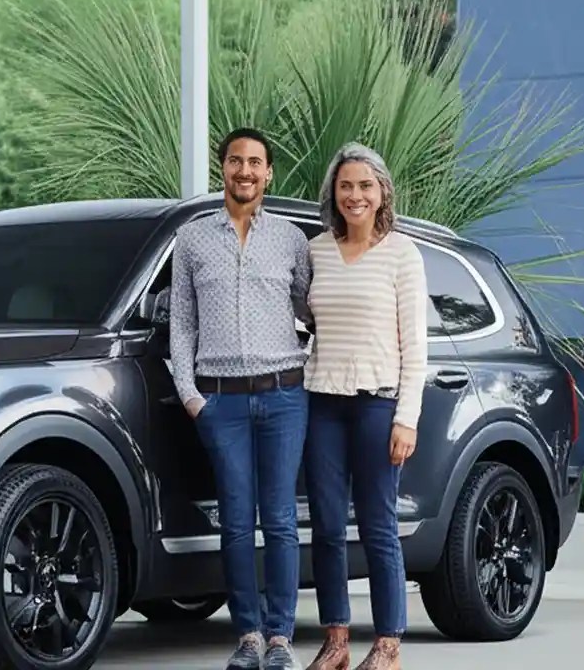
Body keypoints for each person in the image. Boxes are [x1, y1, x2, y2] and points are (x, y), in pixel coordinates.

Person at [169, 127, 313, 670]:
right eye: (236, 161)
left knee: (278, 520)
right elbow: (182, 324)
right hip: (220, 402)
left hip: (283, 396)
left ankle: (280, 640)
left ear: (268, 172)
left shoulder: (292, 240)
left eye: (255, 162)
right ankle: (248, 638)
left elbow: (312, 309)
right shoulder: (193, 239)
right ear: (223, 169)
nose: (245, 171)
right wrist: (190, 396)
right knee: (235, 521)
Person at [301, 142, 428, 670]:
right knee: (328, 526)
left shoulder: (403, 253)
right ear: (334, 190)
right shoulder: (315, 251)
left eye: (365, 186)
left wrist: (407, 418)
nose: (355, 195)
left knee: (377, 524)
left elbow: (415, 345)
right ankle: (335, 642)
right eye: (346, 185)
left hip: (379, 405)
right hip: (322, 404)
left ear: (382, 193)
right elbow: (302, 324)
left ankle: (389, 643)